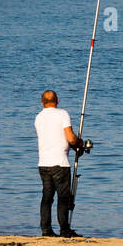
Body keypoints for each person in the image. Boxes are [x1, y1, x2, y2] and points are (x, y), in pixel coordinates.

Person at [35, 89, 84, 237]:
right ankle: (64, 229)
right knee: (63, 198)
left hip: (43, 163)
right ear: (57, 100)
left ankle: (46, 229)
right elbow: (70, 138)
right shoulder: (62, 114)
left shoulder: (38, 117)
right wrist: (80, 143)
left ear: (42, 102)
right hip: (60, 163)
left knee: (47, 197)